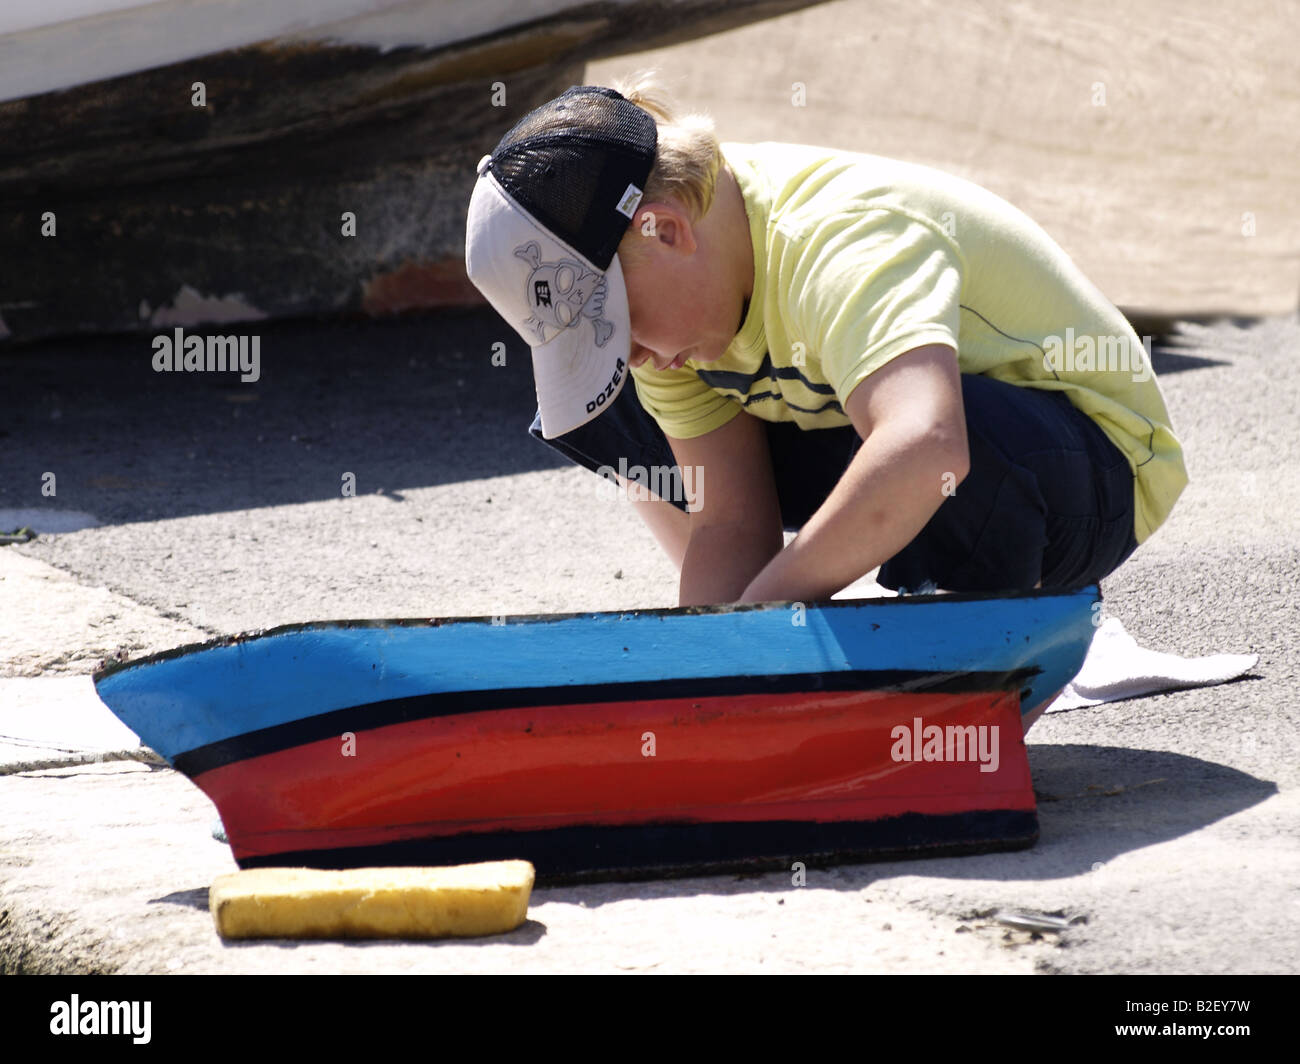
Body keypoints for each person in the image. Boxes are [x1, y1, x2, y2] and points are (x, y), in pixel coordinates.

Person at [463, 76, 1187, 631]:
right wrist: (714, 670)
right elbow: (728, 524)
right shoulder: (684, 298)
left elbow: (928, 446)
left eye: (621, 323)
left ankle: (971, 659)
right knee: (615, 407)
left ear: (666, 230)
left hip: (1090, 473)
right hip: (902, 440)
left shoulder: (839, 244)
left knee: (934, 438)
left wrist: (773, 617)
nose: (638, 355)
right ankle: (863, 643)